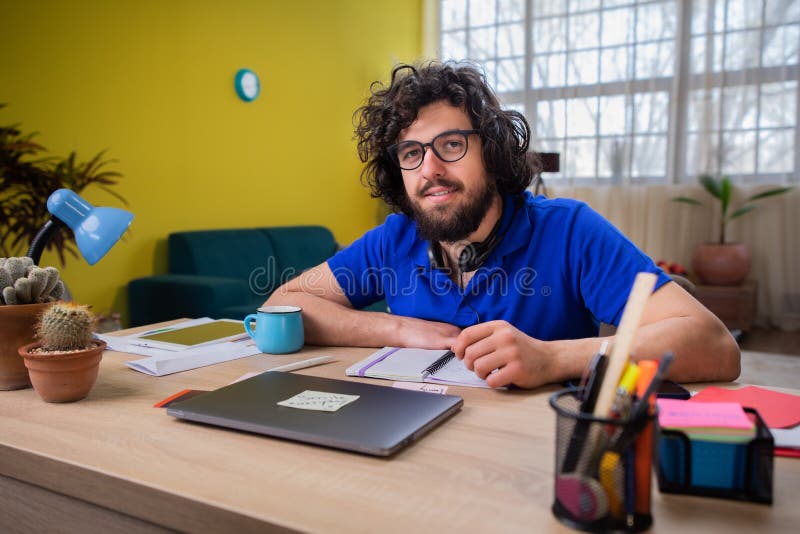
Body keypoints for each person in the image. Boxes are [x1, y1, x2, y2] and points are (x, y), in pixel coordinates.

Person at [265, 61, 740, 389]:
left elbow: (714, 344)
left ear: (491, 153)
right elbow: (282, 304)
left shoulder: (570, 231)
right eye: (412, 154)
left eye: (451, 145)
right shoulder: (396, 238)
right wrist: (399, 329)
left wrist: (554, 359)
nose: (429, 169)